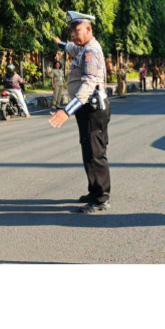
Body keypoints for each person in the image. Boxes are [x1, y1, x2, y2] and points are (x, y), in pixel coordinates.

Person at [49, 11, 111, 213]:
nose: (74, 35)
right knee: (88, 151)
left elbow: (89, 84)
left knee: (95, 153)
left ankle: (101, 198)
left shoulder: (91, 52)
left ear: (88, 29)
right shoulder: (83, 49)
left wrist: (66, 111)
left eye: (77, 30)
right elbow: (72, 49)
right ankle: (94, 191)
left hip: (92, 108)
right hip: (86, 109)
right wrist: (60, 44)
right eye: (71, 31)